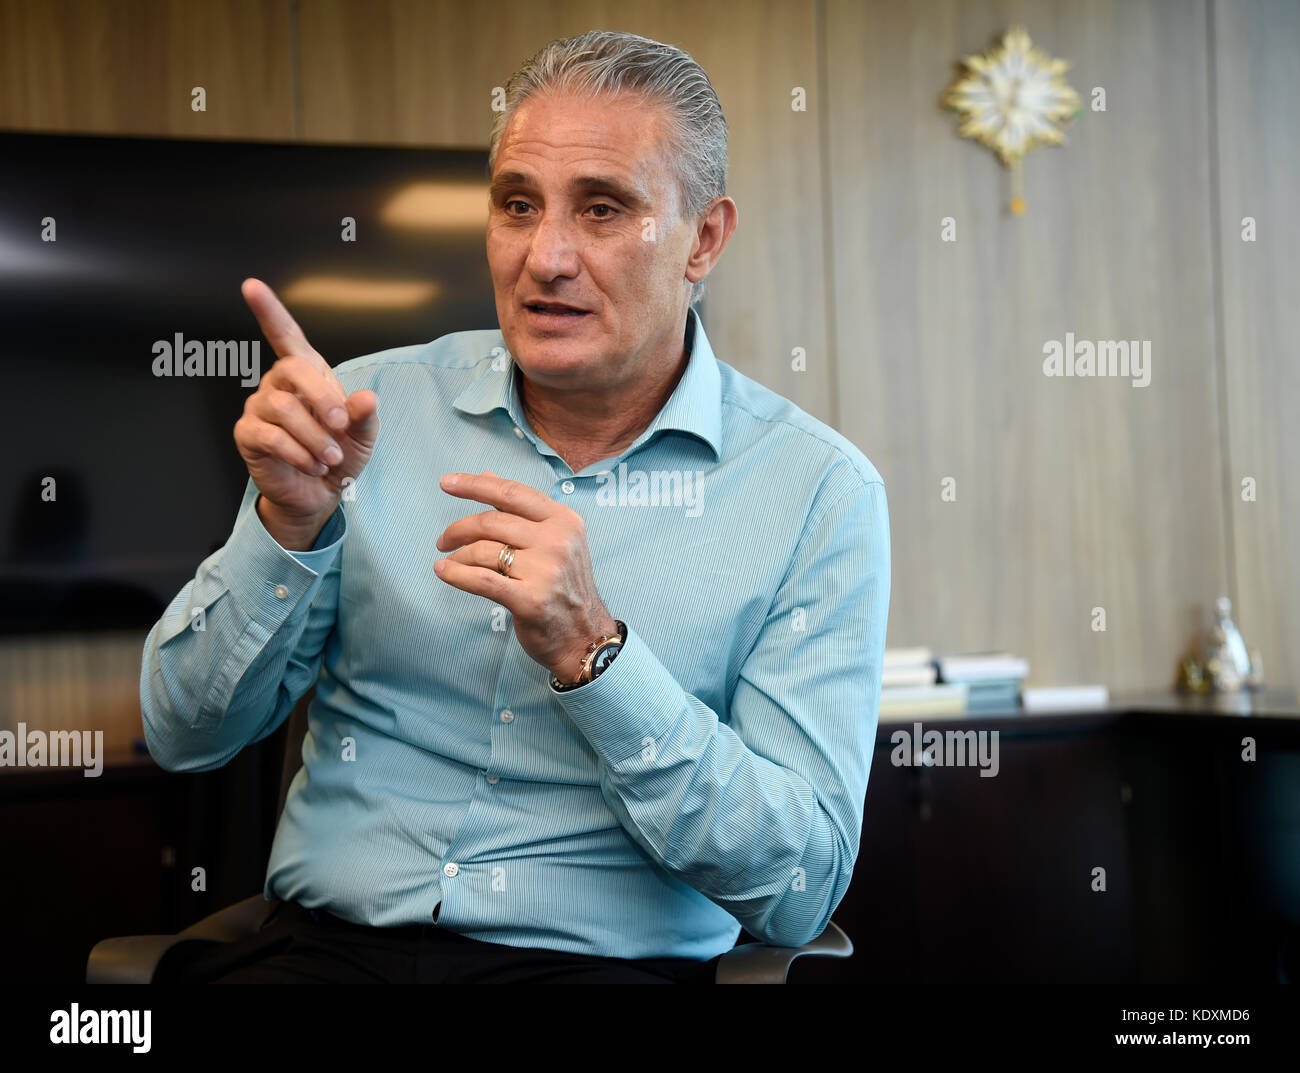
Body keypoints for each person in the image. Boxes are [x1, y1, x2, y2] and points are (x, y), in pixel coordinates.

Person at [143, 29, 890, 984]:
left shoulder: (817, 494)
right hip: (321, 957)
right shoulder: (363, 412)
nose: (546, 257)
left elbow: (801, 885)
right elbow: (180, 733)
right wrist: (285, 531)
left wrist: (598, 658)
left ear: (704, 239)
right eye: (518, 205)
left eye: (603, 209)